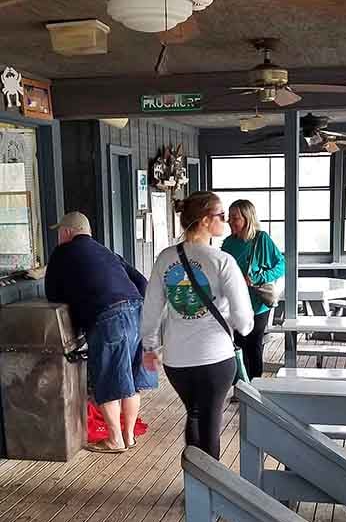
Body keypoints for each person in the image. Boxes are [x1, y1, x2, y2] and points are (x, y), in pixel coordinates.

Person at [141, 191, 254, 459]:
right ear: (205, 220)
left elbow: (152, 308)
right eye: (221, 216)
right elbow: (244, 320)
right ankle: (209, 493)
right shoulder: (222, 260)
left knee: (193, 414)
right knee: (210, 424)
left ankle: (194, 489)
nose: (225, 222)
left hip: (177, 361)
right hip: (215, 358)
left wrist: (149, 346)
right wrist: (242, 325)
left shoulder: (165, 258)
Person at [45, 211, 155, 453]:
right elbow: (143, 283)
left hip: (109, 317)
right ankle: (129, 437)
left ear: (66, 232)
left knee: (108, 379)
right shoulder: (107, 252)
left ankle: (115, 439)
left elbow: (53, 296)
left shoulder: (62, 253)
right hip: (138, 312)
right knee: (132, 378)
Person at [221, 199, 284, 380]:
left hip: (257, 303)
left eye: (235, 218)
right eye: (229, 218)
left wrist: (259, 277)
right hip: (235, 303)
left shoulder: (261, 239)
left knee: (254, 345)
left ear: (247, 219)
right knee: (238, 344)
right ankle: (241, 386)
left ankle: (255, 386)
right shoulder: (228, 244)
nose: (230, 222)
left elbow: (281, 265)